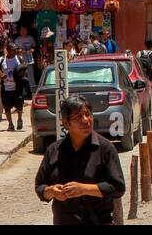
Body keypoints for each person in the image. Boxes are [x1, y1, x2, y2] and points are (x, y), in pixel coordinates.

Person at [34, 95, 126, 225]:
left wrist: (83, 189)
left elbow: (118, 187)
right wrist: (52, 191)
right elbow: (40, 186)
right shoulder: (54, 150)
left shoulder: (105, 148)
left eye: (88, 115)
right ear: (66, 123)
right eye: (78, 117)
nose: (86, 120)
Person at [0, 41, 25, 131]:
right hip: (6, 88)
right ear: (8, 50)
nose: (15, 52)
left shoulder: (19, 59)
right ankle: (10, 124)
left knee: (19, 105)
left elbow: (23, 69)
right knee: (6, 107)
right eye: (13, 50)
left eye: (15, 50)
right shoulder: (2, 60)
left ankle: (20, 119)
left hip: (17, 87)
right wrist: (1, 75)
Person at [13, 24, 37, 96]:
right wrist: (19, 51)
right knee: (22, 77)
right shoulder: (17, 40)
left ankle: (33, 93)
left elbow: (34, 47)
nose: (23, 32)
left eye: (24, 30)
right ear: (19, 31)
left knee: (31, 76)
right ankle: (23, 93)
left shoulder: (30, 38)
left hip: (29, 60)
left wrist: (32, 50)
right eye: (21, 30)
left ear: (27, 31)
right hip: (20, 61)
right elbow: (14, 50)